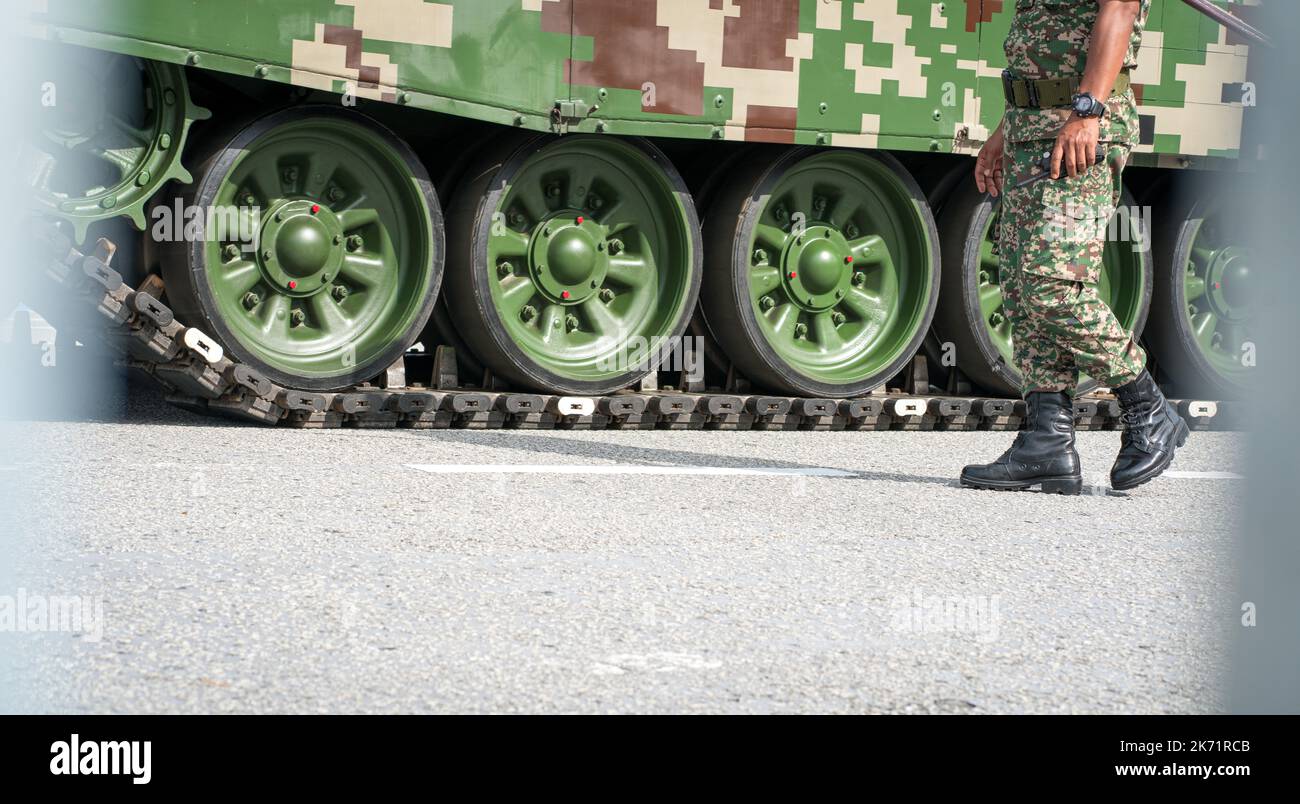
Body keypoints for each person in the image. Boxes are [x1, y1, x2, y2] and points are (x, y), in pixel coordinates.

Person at [960, 0, 1187, 495]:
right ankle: (1046, 442)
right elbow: (1047, 40)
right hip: (1032, 127)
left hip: (1080, 129)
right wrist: (1006, 129)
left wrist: (1087, 113)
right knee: (1020, 286)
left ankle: (1147, 405)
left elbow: (1120, 6)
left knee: (1051, 283)